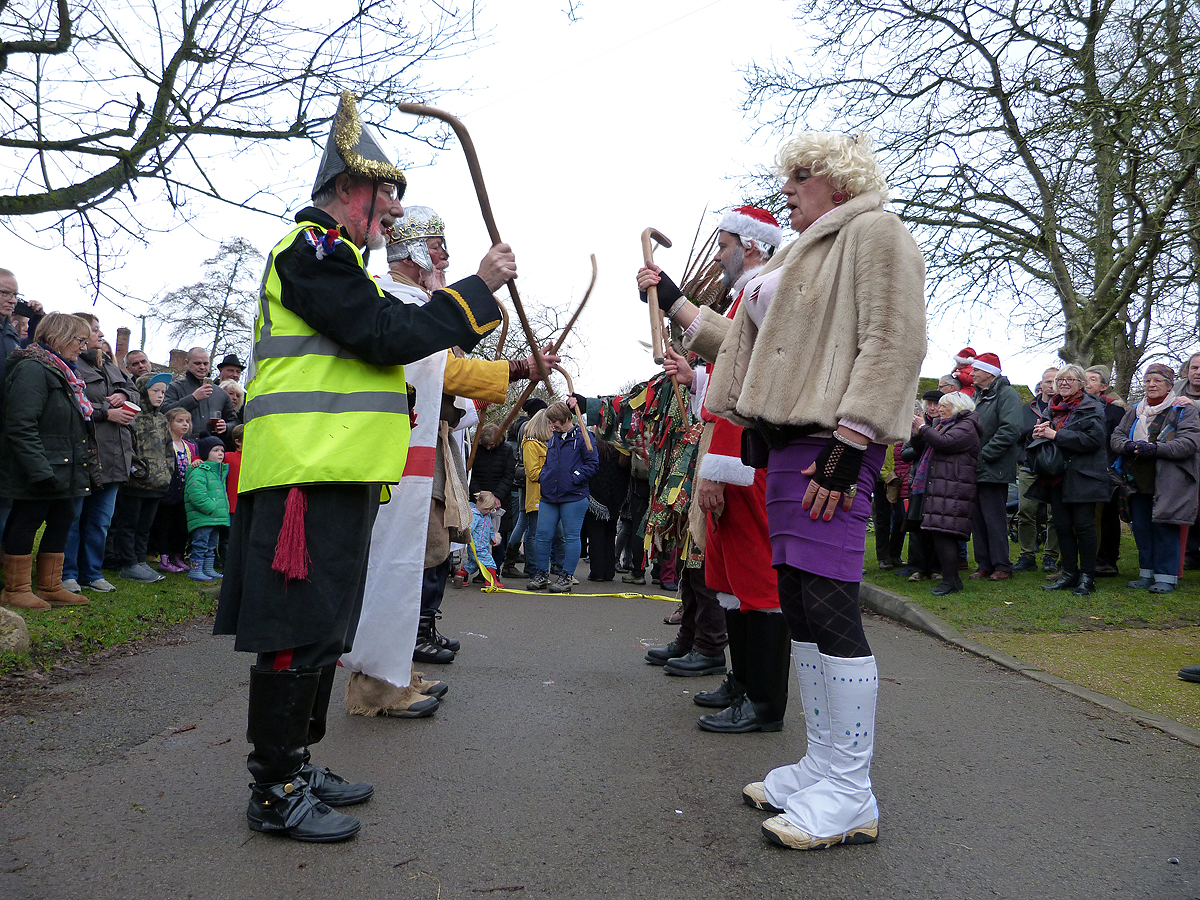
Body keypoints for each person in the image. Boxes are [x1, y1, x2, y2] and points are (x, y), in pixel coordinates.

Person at [212, 93, 511, 844]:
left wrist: (472, 306)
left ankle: (299, 762)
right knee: (295, 626)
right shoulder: (308, 250)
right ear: (347, 190)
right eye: (386, 193)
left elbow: (393, 334)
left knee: (323, 628)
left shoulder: (343, 260)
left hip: (337, 474)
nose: (394, 208)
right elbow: (386, 334)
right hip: (302, 476)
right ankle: (273, 788)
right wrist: (475, 289)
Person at [642, 131, 925, 850]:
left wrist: (853, 440)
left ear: (837, 179)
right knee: (798, 602)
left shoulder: (875, 232)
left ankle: (853, 791)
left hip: (830, 444)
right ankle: (825, 765)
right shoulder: (803, 253)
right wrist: (674, 302)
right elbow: (742, 345)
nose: (789, 190)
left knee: (829, 606)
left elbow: (895, 340)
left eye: (801, 177)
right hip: (785, 445)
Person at [340, 207, 554, 724]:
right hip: (393, 461)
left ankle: (389, 671)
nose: (444, 258)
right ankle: (374, 686)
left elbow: (446, 369)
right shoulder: (392, 299)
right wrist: (518, 366)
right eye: (437, 249)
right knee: (393, 565)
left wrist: (517, 367)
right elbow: (447, 368)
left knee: (414, 559)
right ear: (413, 255)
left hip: (412, 455)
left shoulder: (411, 301)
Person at [0, 313, 93, 610]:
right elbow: (20, 425)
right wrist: (39, 469)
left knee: (63, 517)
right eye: (80, 340)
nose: (83, 347)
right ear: (59, 335)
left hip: (62, 464)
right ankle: (15, 589)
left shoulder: (61, 370)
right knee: (26, 521)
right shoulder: (32, 369)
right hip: (39, 467)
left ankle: (50, 586)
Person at [61, 312, 137, 594]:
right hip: (86, 455)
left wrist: (126, 396)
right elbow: (72, 403)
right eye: (94, 330)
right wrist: (108, 412)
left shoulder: (111, 366)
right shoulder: (70, 365)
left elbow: (135, 390)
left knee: (101, 521)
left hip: (116, 457)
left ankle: (92, 573)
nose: (100, 335)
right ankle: (67, 573)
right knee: (74, 518)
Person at [1110, 363, 1200, 593]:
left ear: (1170, 385)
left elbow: (1189, 443)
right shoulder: (1134, 411)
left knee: (1165, 528)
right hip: (1137, 481)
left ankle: (1166, 577)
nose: (1151, 385)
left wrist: (1156, 449)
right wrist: (1129, 446)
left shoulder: (1182, 410)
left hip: (1169, 480)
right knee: (1141, 528)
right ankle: (1146, 574)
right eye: (1148, 380)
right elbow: (1117, 437)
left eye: (1157, 381)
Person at [1029, 365, 1110, 595]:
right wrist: (1037, 434)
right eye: (1061, 379)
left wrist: (1056, 435)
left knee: (1084, 527)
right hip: (1056, 476)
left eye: (1070, 379)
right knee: (1062, 526)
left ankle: (1087, 577)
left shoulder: (1091, 405)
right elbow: (1042, 437)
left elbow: (1093, 440)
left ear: (1081, 383)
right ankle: (1068, 573)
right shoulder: (1052, 408)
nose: (1064, 383)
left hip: (1084, 475)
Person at [908, 392, 981, 595]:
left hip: (954, 487)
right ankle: (952, 580)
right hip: (943, 486)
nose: (939, 409)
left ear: (957, 406)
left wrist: (924, 428)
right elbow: (922, 448)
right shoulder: (946, 424)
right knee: (939, 533)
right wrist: (917, 433)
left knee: (945, 534)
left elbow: (944, 443)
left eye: (943, 405)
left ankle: (949, 581)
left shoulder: (967, 426)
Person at [528, 399, 598, 594]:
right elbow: (551, 462)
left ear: (567, 418)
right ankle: (541, 574)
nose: (552, 425)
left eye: (555, 421)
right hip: (550, 495)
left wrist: (574, 478)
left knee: (571, 536)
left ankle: (566, 576)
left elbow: (592, 464)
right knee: (542, 535)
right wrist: (545, 476)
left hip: (574, 496)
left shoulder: (584, 437)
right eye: (550, 421)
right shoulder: (554, 438)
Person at [113, 372, 173, 583]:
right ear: (142, 392)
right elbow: (126, 446)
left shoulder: (162, 419)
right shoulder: (132, 417)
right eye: (155, 390)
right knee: (128, 524)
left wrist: (167, 471)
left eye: (163, 392)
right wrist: (137, 470)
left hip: (158, 483)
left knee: (145, 527)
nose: (160, 395)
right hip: (136, 482)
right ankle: (128, 563)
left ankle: (140, 560)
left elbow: (168, 448)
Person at [968, 351, 1023, 582]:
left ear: (989, 374)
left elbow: (1011, 429)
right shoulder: (978, 397)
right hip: (976, 467)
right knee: (978, 519)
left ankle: (1002, 564)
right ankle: (984, 564)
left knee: (994, 518)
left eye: (976, 370)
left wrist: (985, 455)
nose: (972, 374)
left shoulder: (1007, 394)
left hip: (994, 467)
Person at [1014, 367, 1060, 573]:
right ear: (1040, 384)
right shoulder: (1027, 409)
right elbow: (1015, 437)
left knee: (1054, 514)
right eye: (1047, 381)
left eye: (1054, 381)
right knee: (1025, 511)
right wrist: (1022, 457)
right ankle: (1027, 554)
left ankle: (1051, 556)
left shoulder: (1066, 408)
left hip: (1056, 467)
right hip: (1029, 466)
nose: (1050, 385)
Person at [1084, 365, 1127, 576]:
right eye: (1085, 379)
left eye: (1093, 379)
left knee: (1107, 517)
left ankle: (1106, 560)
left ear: (1104, 386)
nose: (1087, 383)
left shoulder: (1115, 409)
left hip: (1107, 469)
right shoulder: (1078, 407)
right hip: (1084, 469)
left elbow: (1117, 440)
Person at [151, 408, 197, 573]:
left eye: (187, 421)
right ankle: (164, 556)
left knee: (181, 525)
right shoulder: (165, 444)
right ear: (169, 424)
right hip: (168, 491)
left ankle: (178, 555)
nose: (185, 424)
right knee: (166, 524)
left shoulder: (189, 446)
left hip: (185, 492)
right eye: (179, 421)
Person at [161, 347, 239, 441]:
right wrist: (193, 398)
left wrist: (226, 427)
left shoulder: (221, 393)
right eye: (197, 363)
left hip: (212, 450)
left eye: (205, 364)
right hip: (183, 448)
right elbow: (164, 412)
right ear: (186, 363)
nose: (202, 367)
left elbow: (234, 422)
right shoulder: (174, 388)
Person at [468, 423, 516, 575]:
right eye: (486, 445)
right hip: (478, 499)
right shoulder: (475, 449)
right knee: (477, 537)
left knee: (498, 537)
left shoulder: (507, 450)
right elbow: (470, 474)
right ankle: (479, 570)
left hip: (500, 500)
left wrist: (497, 496)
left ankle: (495, 570)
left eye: (492, 445)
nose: (489, 448)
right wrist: (480, 495)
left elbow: (509, 475)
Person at [584, 437, 630, 582]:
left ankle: (597, 572)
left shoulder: (591, 448)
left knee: (595, 534)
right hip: (615, 500)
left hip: (594, 498)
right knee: (610, 534)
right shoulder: (620, 450)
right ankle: (609, 571)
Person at [185, 436, 230, 582]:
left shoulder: (219, 471)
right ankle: (195, 569)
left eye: (222, 450)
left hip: (215, 517)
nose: (220, 453)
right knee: (200, 544)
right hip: (204, 516)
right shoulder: (199, 471)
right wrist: (211, 508)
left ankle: (208, 568)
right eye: (215, 450)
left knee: (211, 545)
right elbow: (196, 494)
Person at [462, 490, 503, 586]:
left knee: (473, 564)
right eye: (486, 509)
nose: (488, 511)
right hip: (478, 546)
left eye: (490, 509)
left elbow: (490, 528)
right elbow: (470, 529)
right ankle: (491, 581)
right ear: (479, 504)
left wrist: (492, 537)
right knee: (489, 562)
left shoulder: (486, 516)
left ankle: (460, 574)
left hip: (482, 545)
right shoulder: (475, 516)